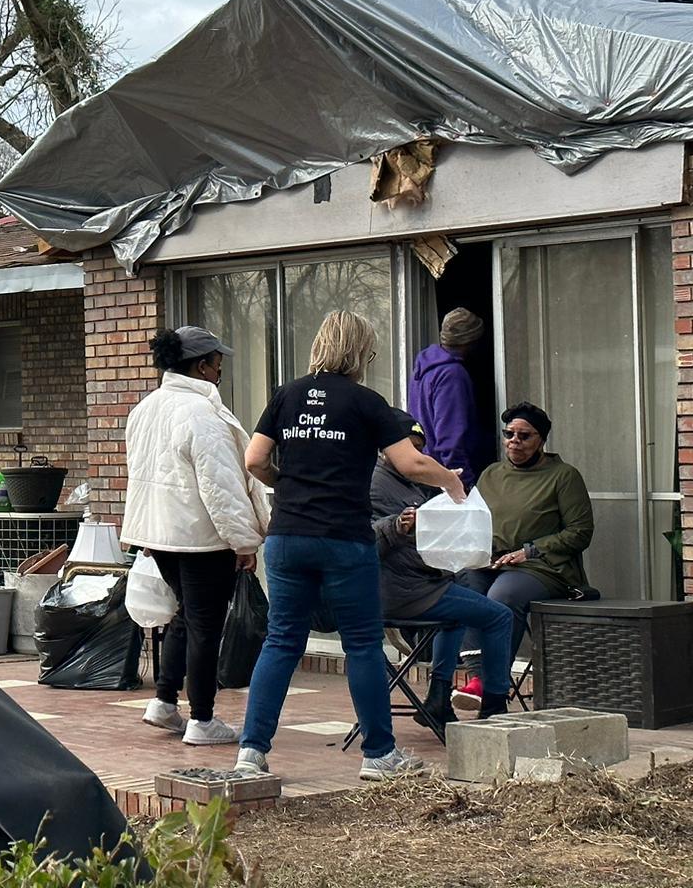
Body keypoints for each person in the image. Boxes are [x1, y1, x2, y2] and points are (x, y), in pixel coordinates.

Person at [234, 310, 466, 782]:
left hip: (287, 537)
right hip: (343, 539)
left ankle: (251, 753)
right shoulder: (365, 402)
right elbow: (411, 463)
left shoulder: (287, 395)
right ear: (360, 352)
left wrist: (288, 485)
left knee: (281, 641)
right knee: (361, 643)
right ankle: (379, 754)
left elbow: (254, 459)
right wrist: (451, 483)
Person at [122, 325, 270, 746]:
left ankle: (165, 701)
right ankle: (202, 719)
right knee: (206, 626)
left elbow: (140, 474)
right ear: (202, 366)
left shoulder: (145, 408)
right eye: (218, 364)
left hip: (158, 533)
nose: (220, 372)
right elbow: (221, 486)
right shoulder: (202, 414)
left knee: (185, 616)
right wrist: (244, 541)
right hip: (200, 536)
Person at [369, 411, 515, 735]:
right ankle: (494, 706)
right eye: (409, 447)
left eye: (420, 448)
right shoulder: (375, 483)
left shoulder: (407, 480)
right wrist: (397, 525)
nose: (416, 455)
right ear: (387, 448)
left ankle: (438, 698)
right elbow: (363, 541)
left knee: (456, 613)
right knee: (500, 616)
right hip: (399, 591)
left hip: (418, 583)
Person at [451, 402, 595, 710]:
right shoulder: (492, 474)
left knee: (502, 597)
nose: (514, 441)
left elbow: (580, 532)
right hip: (493, 562)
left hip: (542, 567)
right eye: (509, 434)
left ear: (541, 440)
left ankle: (491, 687)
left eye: (524, 436)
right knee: (463, 589)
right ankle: (480, 680)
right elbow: (476, 520)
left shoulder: (563, 476)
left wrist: (529, 551)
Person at [408, 308, 490, 488]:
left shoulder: (424, 370)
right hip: (445, 478)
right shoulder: (452, 375)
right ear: (471, 341)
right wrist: (464, 484)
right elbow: (450, 441)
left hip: (427, 472)